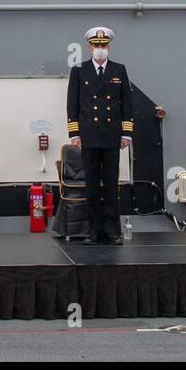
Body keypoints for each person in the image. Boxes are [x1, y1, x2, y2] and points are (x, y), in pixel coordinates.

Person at [67, 27, 134, 245]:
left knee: (111, 185)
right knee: (92, 185)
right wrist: (74, 133)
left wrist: (127, 133)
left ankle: (112, 230)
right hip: (89, 136)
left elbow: (127, 104)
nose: (99, 49)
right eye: (96, 45)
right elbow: (72, 104)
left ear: (108, 46)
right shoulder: (79, 69)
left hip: (112, 136)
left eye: (103, 45)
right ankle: (94, 230)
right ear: (89, 47)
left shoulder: (119, 70)